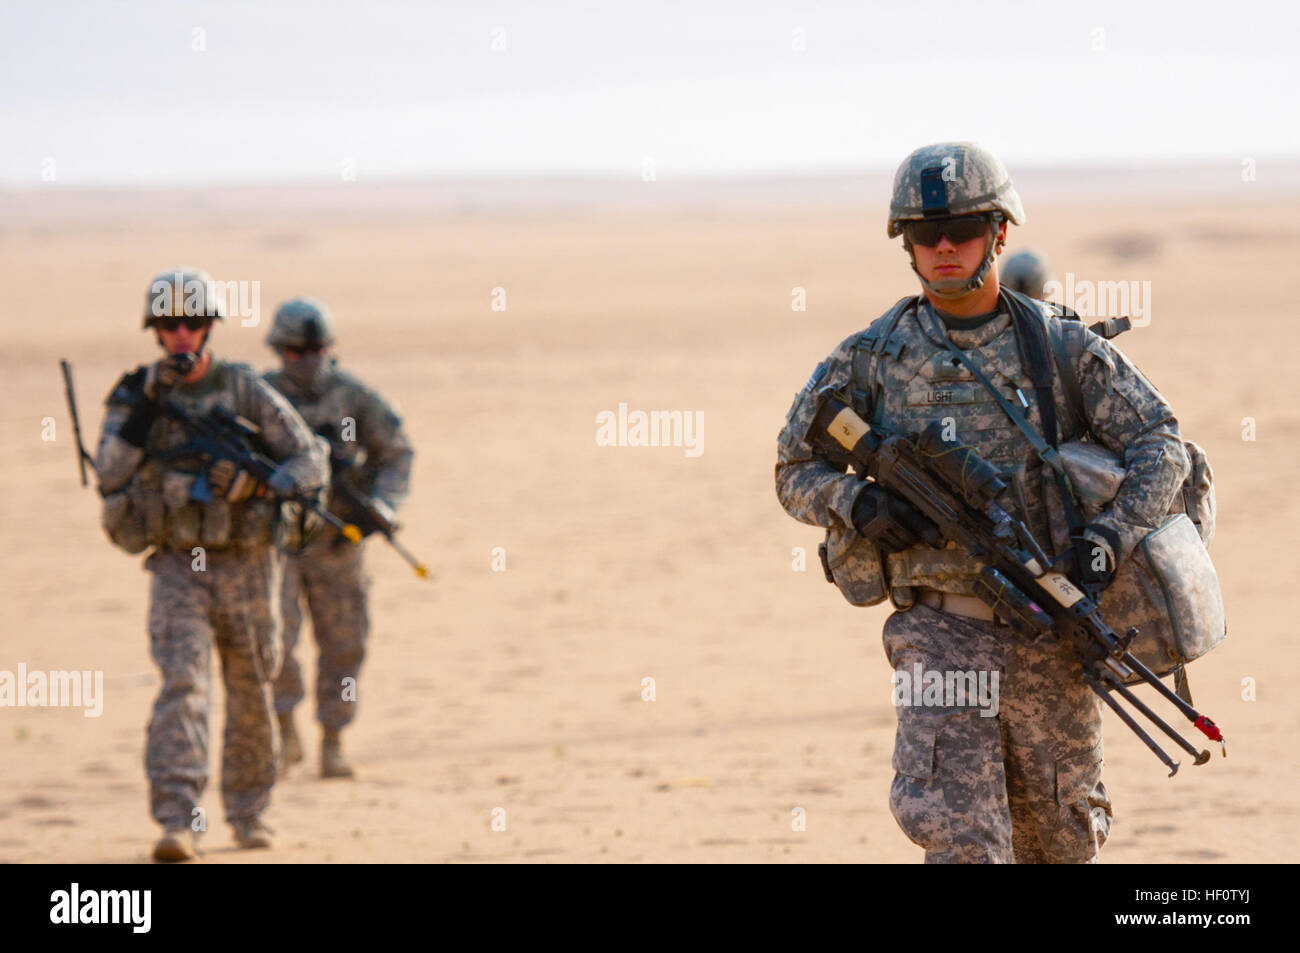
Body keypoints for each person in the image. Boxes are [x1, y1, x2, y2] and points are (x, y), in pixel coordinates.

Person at [774, 143, 1191, 863]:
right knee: (965, 845)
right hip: (941, 632)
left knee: (1060, 844)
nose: (941, 247)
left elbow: (1163, 443)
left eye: (961, 230)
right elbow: (793, 467)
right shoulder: (873, 357)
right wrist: (855, 501)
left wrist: (1106, 541)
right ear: (903, 243)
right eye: (922, 233)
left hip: (1051, 635)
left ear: (1000, 233)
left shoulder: (1058, 348)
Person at [95, 269, 330, 861]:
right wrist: (147, 407)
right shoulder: (134, 396)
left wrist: (261, 485)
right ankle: (179, 819)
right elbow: (110, 473)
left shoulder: (246, 391)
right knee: (184, 685)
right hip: (179, 566)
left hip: (250, 564)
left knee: (251, 689)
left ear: (210, 328)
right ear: (154, 333)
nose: (181, 335)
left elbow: (311, 460)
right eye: (169, 325)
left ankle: (250, 813)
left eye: (192, 323)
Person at [262, 297, 413, 779]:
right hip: (279, 546)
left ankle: (333, 739)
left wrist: (383, 507)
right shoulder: (261, 399)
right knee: (275, 644)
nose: (305, 362)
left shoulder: (354, 399)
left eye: (315, 352)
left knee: (345, 644)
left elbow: (396, 453)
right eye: (293, 352)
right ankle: (284, 730)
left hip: (339, 542)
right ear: (278, 351)